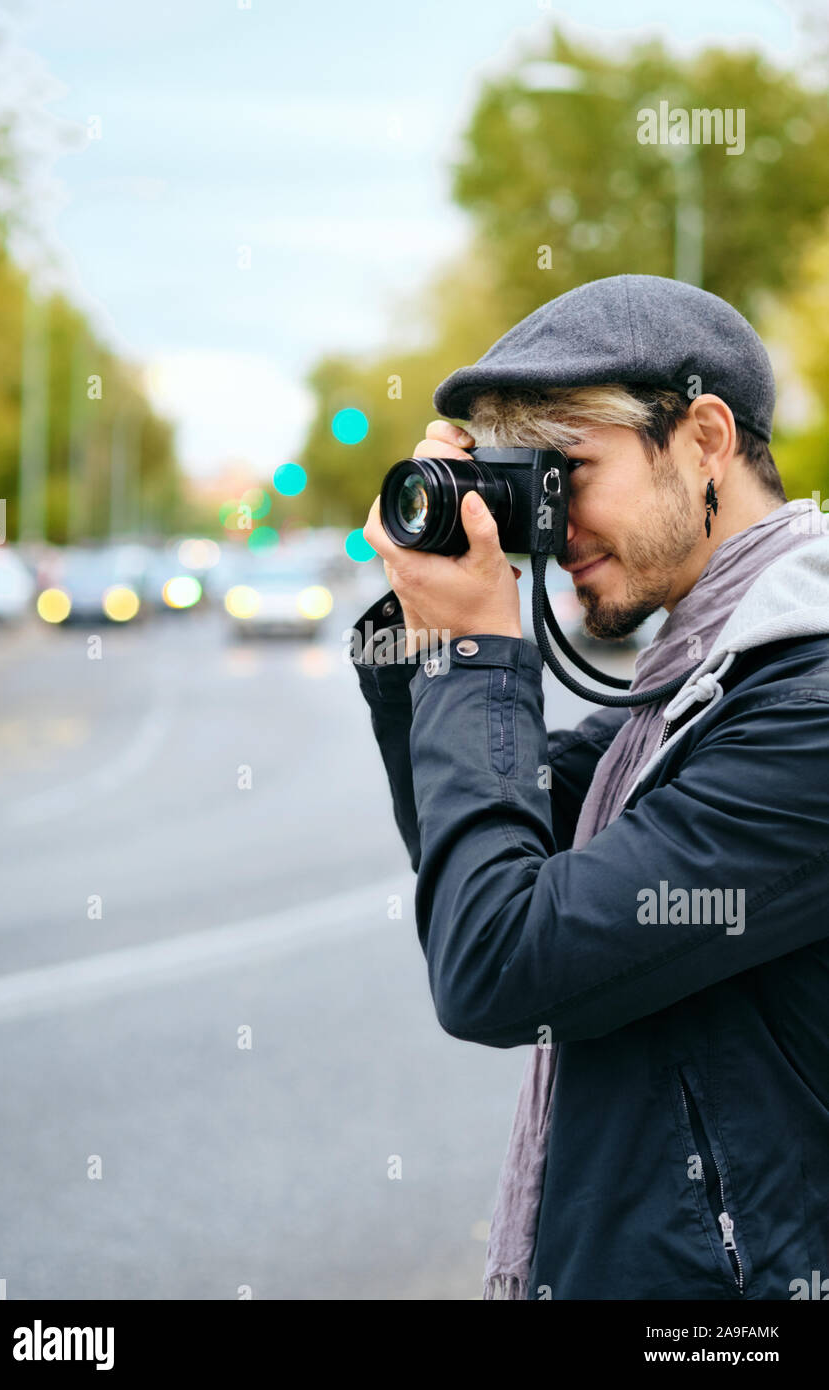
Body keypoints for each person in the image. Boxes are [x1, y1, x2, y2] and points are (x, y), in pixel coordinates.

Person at [349, 274, 829, 1301]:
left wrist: (478, 648)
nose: (552, 523)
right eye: (532, 482)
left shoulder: (803, 708)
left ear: (702, 439)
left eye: (568, 470)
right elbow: (476, 849)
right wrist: (422, 636)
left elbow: (497, 959)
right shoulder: (690, 696)